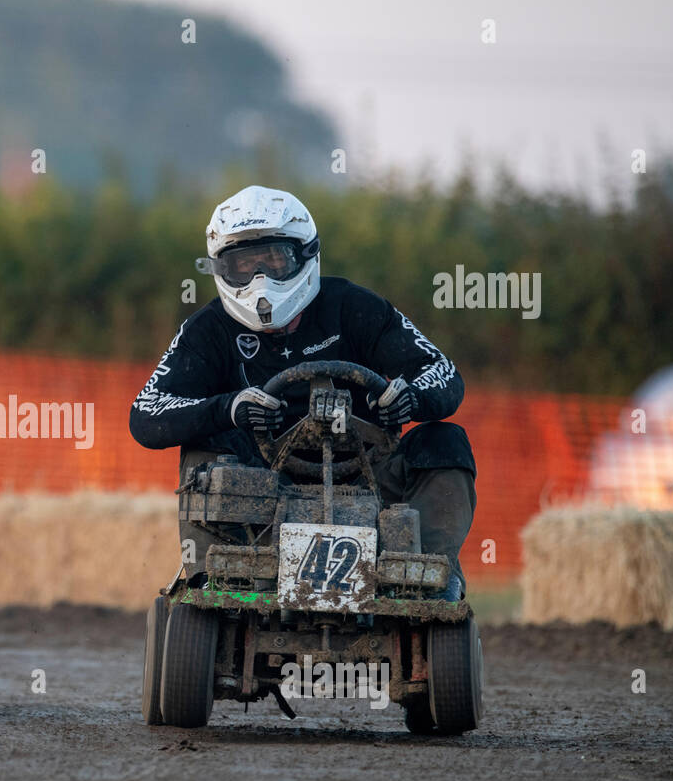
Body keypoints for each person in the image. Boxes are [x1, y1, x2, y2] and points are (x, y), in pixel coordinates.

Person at [129, 184, 476, 598]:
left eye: (274, 260)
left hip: (370, 481)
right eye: (243, 265)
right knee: (203, 447)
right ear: (222, 269)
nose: (260, 280)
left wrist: (409, 398)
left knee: (445, 440)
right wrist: (229, 408)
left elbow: (441, 372)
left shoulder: (354, 307)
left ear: (305, 255)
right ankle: (214, 582)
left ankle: (430, 578)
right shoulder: (207, 330)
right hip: (256, 491)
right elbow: (147, 415)